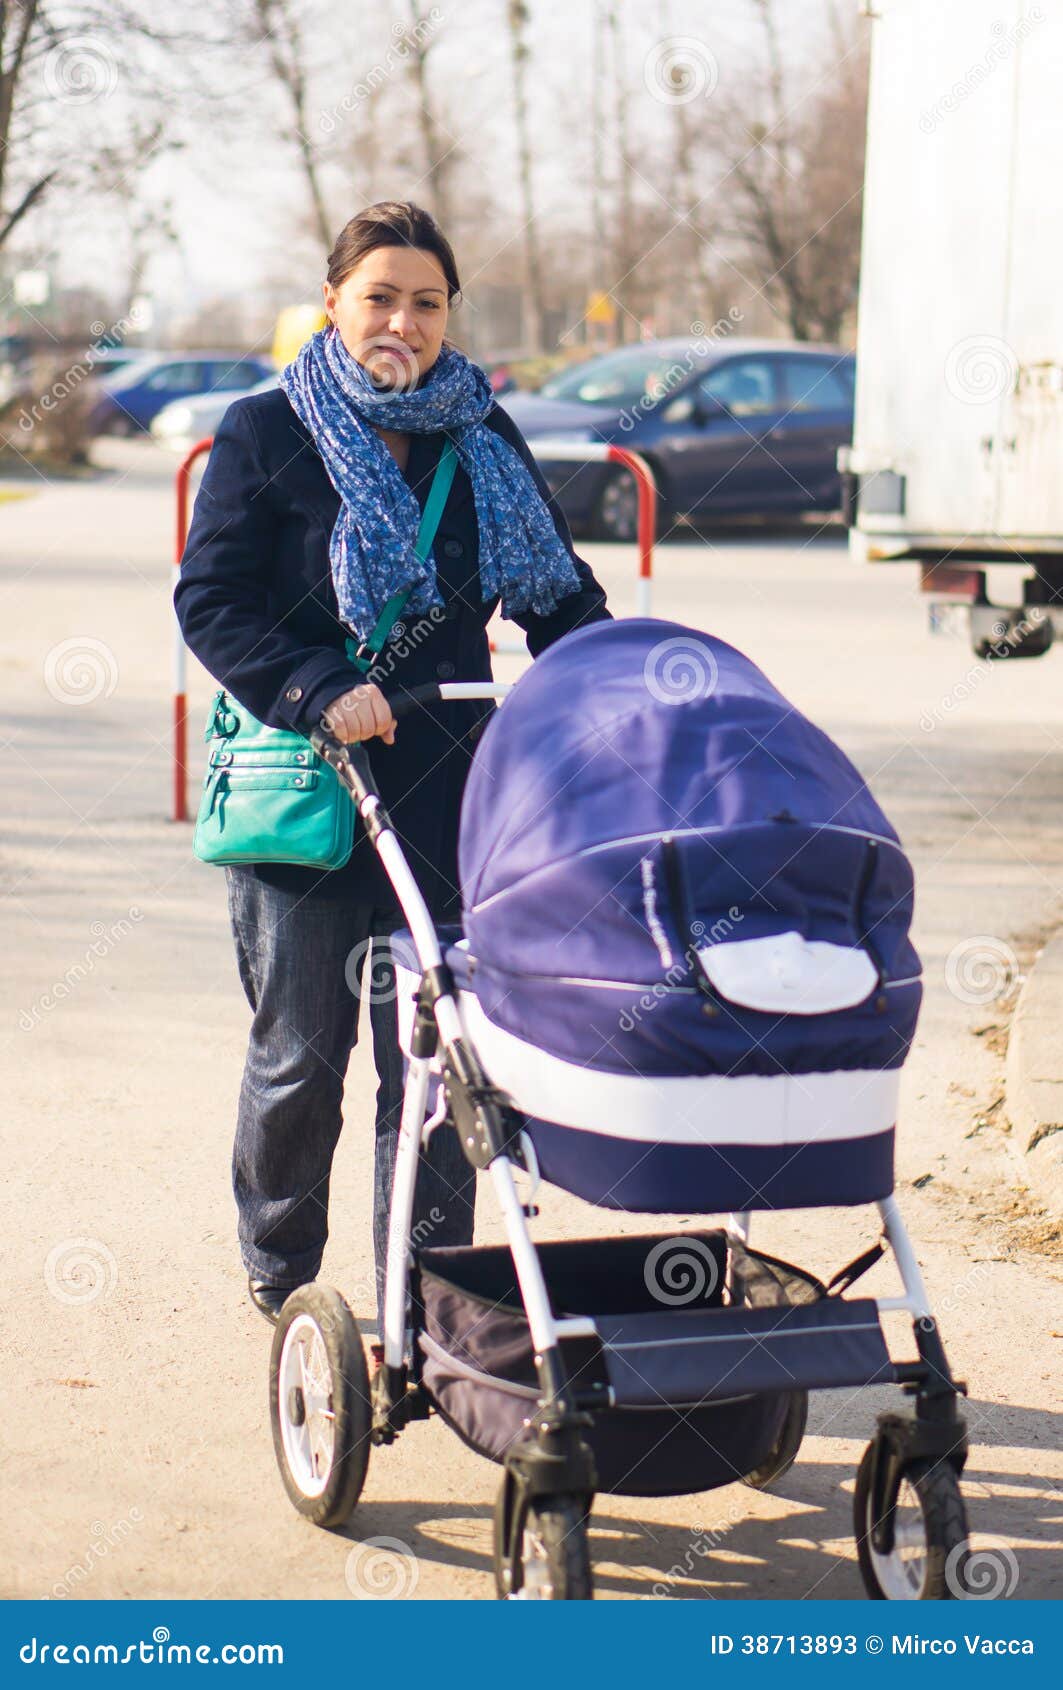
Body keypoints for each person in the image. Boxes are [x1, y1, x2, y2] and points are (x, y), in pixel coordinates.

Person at [174, 200, 610, 1336]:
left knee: (434, 1066)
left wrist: (617, 681)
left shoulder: (482, 437)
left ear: (448, 314)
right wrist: (317, 685)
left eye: (425, 302)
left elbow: (553, 590)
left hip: (444, 796)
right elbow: (211, 599)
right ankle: (284, 1280)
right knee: (300, 1058)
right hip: (312, 790)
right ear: (333, 302)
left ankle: (418, 1295)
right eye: (379, 296)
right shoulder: (267, 429)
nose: (401, 322)